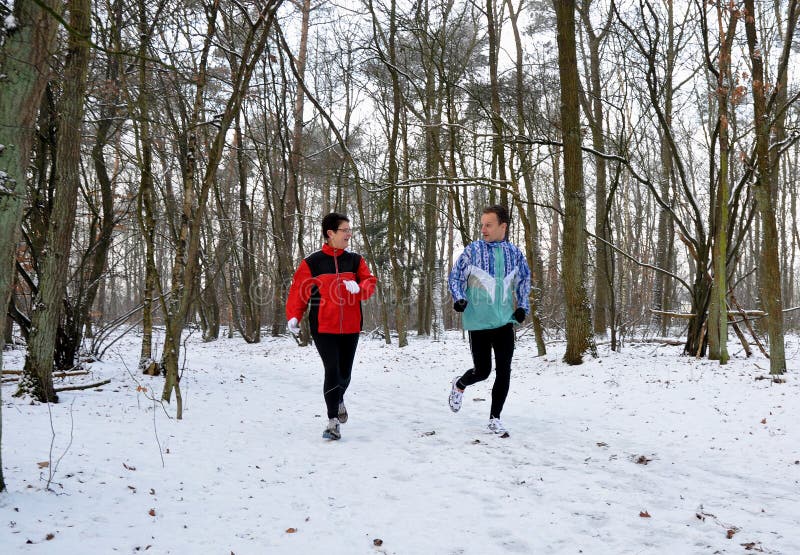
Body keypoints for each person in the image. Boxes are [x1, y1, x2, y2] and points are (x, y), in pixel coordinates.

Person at [286, 213, 377, 440]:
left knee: (344, 374)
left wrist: (360, 288)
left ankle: (339, 398)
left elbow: (369, 281)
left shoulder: (355, 260)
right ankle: (332, 422)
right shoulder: (312, 263)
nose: (349, 234)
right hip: (323, 327)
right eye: (345, 230)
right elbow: (299, 292)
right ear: (331, 233)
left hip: (351, 327)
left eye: (349, 230)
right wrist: (294, 316)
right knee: (332, 370)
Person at [447, 204, 531, 438]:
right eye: (482, 225)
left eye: (488, 225)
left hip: (504, 322)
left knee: (504, 371)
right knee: (483, 371)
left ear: (502, 227)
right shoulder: (473, 251)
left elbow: (524, 280)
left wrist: (522, 306)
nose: (483, 229)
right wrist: (460, 298)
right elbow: (456, 277)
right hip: (479, 323)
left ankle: (495, 418)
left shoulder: (514, 253)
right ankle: (460, 384)